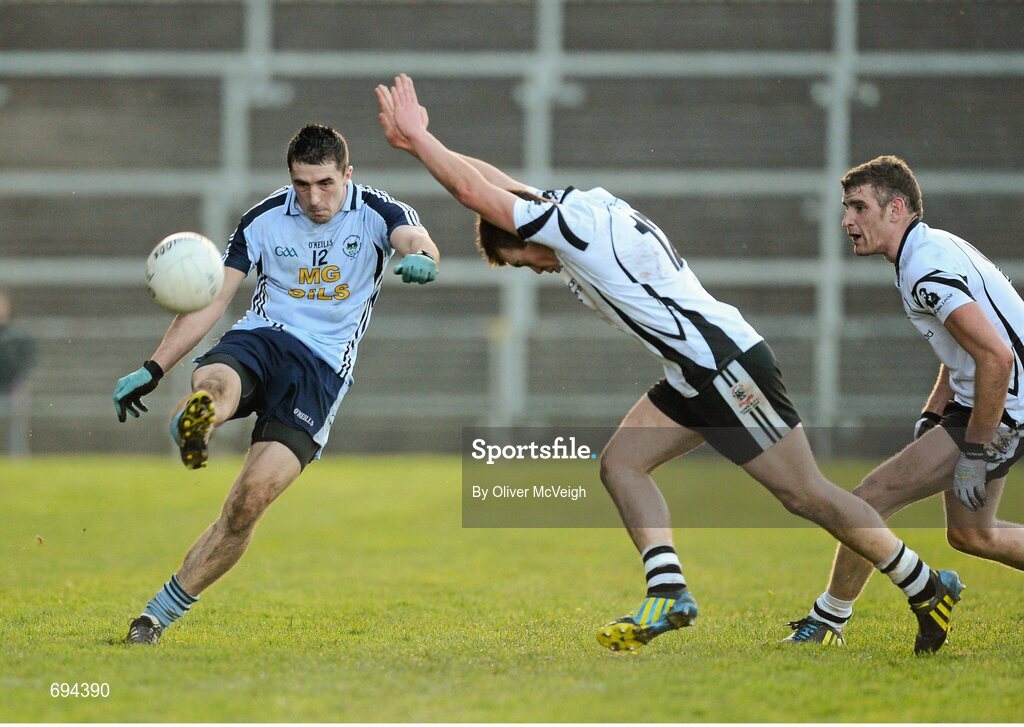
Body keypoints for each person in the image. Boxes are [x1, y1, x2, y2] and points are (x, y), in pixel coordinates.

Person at [376, 75, 962, 654]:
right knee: (621, 465)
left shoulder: (572, 230)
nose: (540, 270)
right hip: (692, 374)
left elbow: (480, 195)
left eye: (528, 263)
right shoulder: (580, 208)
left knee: (805, 494)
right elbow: (499, 185)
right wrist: (427, 141)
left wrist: (419, 140)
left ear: (526, 237)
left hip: (725, 367)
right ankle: (669, 591)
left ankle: (925, 585)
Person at [112, 123, 440, 645]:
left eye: (325, 184)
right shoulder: (261, 221)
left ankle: (154, 617)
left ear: (347, 176)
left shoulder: (378, 212)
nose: (313, 197)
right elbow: (215, 301)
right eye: (302, 184)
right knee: (218, 381)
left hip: (321, 372)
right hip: (262, 340)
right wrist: (153, 368)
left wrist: (423, 256)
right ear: (290, 179)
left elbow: (413, 237)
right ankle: (199, 419)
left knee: (248, 502)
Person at [783, 155, 1024, 646]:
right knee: (973, 535)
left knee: (869, 499)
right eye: (845, 208)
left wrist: (974, 453)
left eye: (858, 207)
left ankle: (828, 621)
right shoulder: (929, 248)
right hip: (990, 397)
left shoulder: (924, 267)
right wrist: (933, 412)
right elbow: (961, 346)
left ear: (896, 209)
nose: (847, 221)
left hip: (1004, 403)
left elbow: (996, 357)